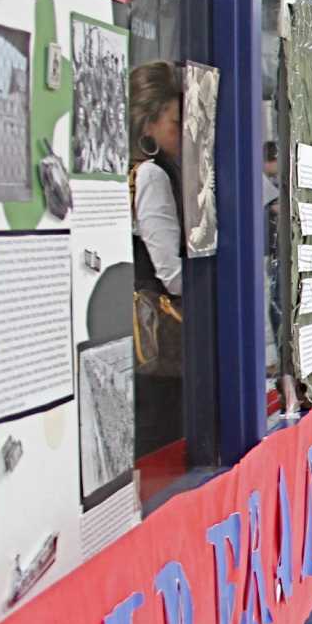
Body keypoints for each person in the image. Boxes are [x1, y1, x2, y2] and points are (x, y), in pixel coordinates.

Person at [129, 61, 187, 455]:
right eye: (174, 123)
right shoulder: (152, 175)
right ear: (148, 124)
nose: (182, 133)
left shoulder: (131, 171)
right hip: (161, 346)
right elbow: (173, 275)